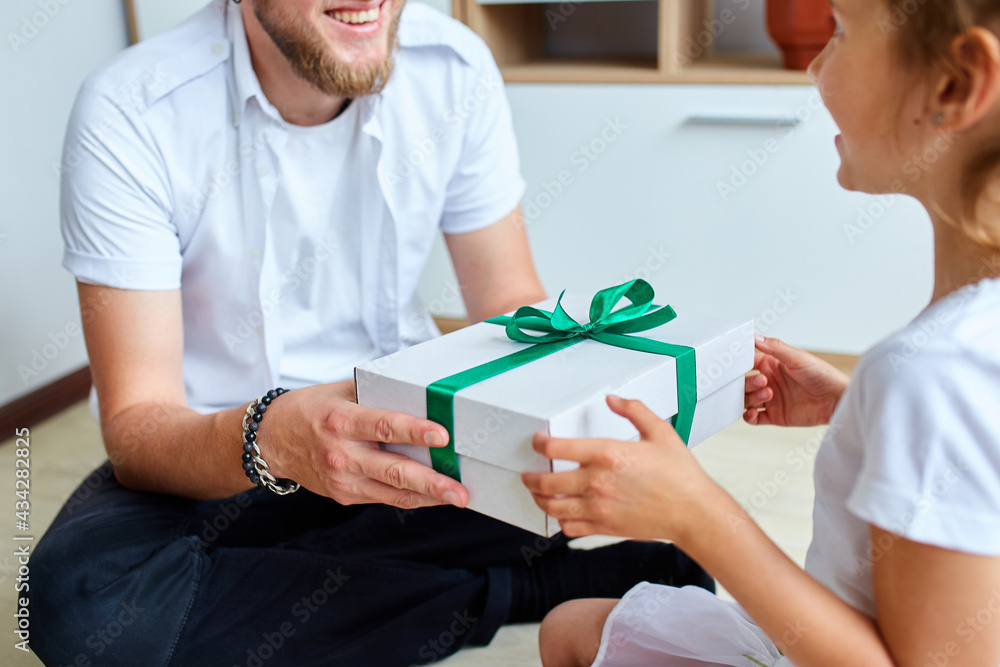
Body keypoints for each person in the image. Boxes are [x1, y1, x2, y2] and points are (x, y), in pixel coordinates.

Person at [29, 0, 714, 664]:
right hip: (224, 452)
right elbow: (138, 431)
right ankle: (529, 586)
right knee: (80, 602)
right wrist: (278, 436)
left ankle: (321, 584)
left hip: (407, 432)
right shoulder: (133, 109)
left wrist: (572, 413)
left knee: (538, 481)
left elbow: (506, 298)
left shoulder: (453, 67)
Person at [522, 0, 1000, 665]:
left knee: (574, 635)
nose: (814, 63)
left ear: (956, 83)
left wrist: (697, 515)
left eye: (839, 31)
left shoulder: (930, 372)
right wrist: (858, 411)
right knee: (575, 626)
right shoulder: (956, 358)